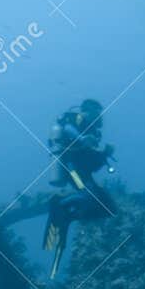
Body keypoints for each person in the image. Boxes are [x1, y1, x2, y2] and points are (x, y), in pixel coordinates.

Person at [43, 99, 118, 279]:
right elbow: (69, 128)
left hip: (83, 172)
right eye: (97, 112)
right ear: (88, 110)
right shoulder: (77, 118)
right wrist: (81, 139)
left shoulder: (92, 131)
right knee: (87, 193)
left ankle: (69, 216)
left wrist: (104, 154)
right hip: (71, 169)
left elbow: (91, 162)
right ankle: (60, 203)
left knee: (108, 207)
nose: (99, 116)